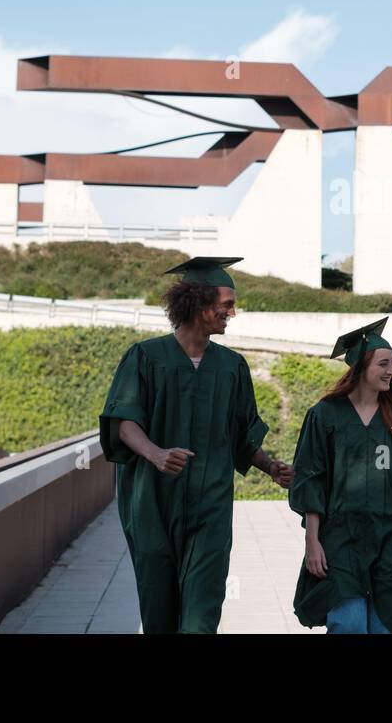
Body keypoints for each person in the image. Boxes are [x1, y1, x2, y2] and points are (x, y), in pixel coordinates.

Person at [98, 255, 293, 634]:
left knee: (201, 617)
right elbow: (123, 423)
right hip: (152, 503)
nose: (232, 314)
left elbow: (242, 434)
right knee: (159, 615)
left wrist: (271, 468)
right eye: (226, 305)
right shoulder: (145, 357)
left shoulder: (232, 366)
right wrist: (156, 454)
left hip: (211, 506)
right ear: (198, 304)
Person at [289, 317, 392, 634]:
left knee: (386, 627)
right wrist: (312, 539)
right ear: (361, 366)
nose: (390, 372)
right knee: (350, 624)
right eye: (383, 364)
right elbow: (311, 477)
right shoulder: (324, 415)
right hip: (342, 537)